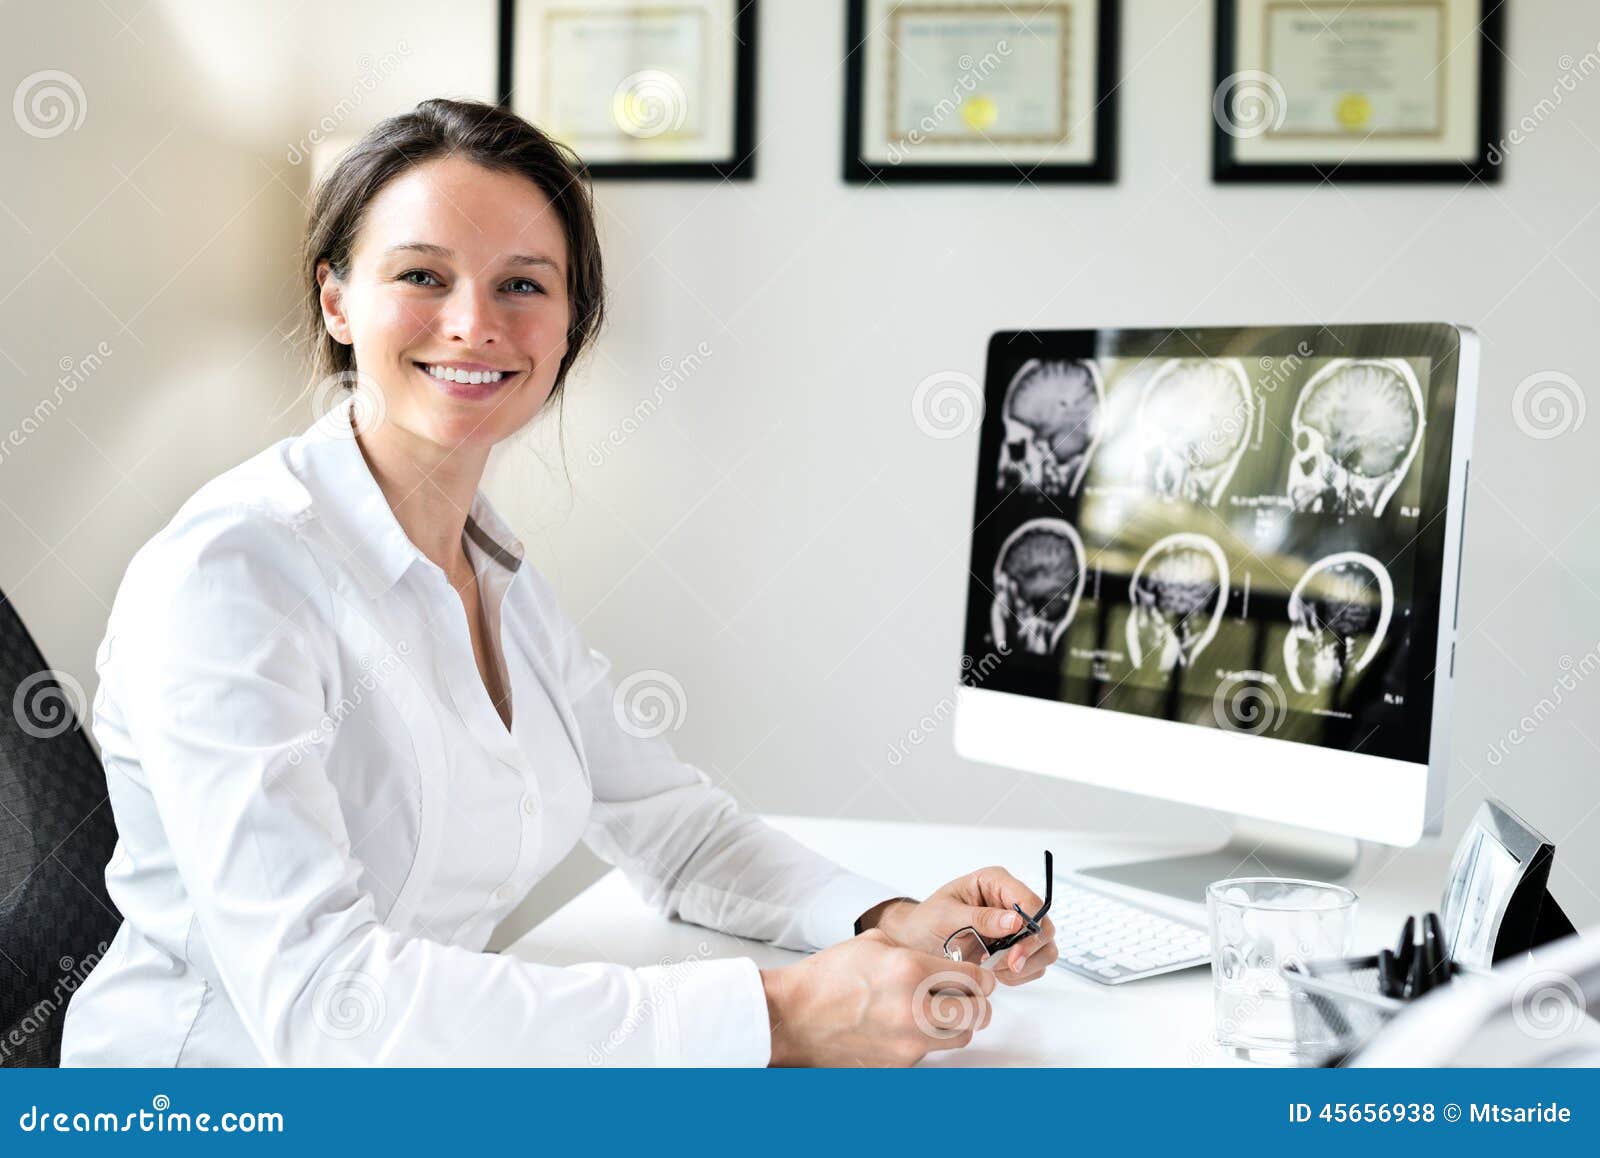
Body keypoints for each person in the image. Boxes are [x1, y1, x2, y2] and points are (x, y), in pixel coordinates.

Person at [60, 98, 1057, 1067]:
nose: (473, 323)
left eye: (524, 285)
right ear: (337, 300)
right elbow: (330, 1006)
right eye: (421, 274)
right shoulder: (231, 576)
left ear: (571, 323)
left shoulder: (494, 570)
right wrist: (780, 1014)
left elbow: (680, 837)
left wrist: (887, 919)